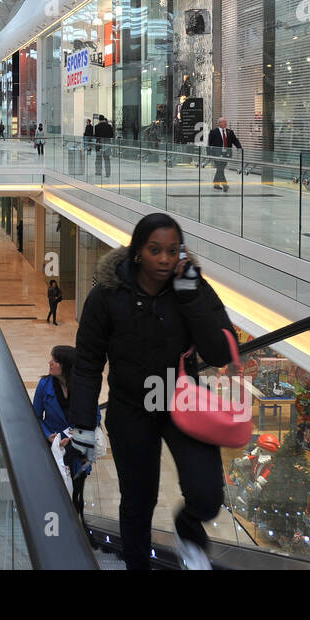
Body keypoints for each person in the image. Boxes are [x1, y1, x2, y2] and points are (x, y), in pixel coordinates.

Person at [64, 212, 235, 570]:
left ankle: (187, 530)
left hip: (182, 401)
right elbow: (88, 362)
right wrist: (82, 423)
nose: (165, 259)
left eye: (173, 251)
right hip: (130, 409)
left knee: (207, 495)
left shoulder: (191, 288)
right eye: (155, 250)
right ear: (138, 251)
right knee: (138, 502)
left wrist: (191, 297)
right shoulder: (107, 295)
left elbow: (220, 352)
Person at [33, 345, 99, 516]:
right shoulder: (44, 385)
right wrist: (48, 435)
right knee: (56, 489)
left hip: (78, 447)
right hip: (55, 448)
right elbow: (36, 416)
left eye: (55, 360)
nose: (50, 362)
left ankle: (77, 522)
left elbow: (95, 416)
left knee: (77, 491)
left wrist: (73, 436)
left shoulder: (83, 386)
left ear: (65, 365)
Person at [208, 117, 242, 192]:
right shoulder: (213, 132)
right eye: (223, 122)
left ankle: (216, 184)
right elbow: (209, 145)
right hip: (217, 154)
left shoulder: (230, 132)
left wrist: (239, 147)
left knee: (220, 169)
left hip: (227, 154)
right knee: (220, 169)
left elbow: (235, 140)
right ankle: (225, 184)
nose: (225, 123)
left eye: (225, 122)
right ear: (219, 123)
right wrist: (209, 155)